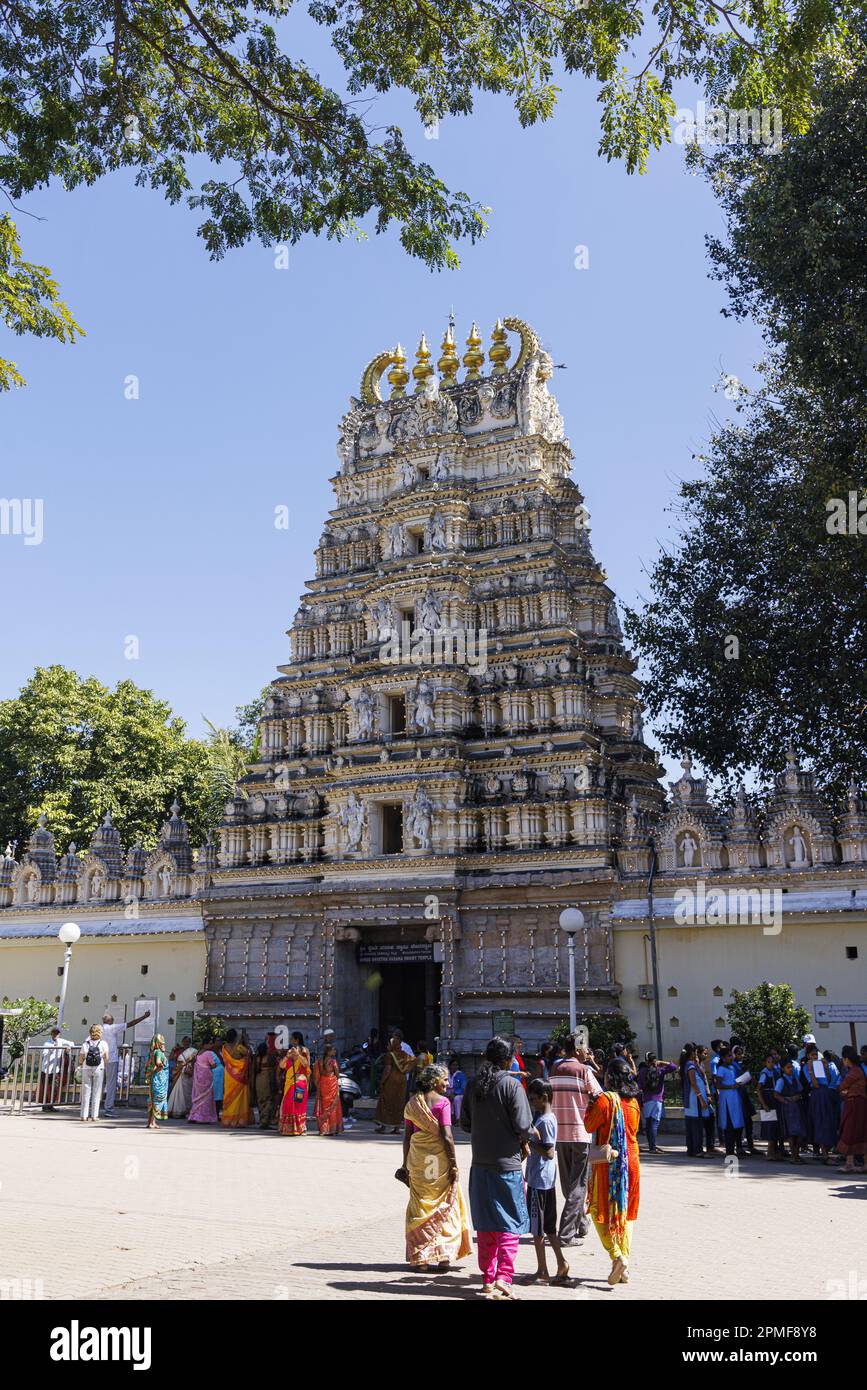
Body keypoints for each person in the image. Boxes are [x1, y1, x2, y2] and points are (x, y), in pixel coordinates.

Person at [460, 1036, 533, 1300]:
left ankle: (487, 1279)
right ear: (507, 1059)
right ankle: (504, 1276)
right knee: (509, 1224)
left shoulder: (472, 1084)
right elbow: (524, 1126)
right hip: (508, 1165)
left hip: (479, 1164)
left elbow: (465, 1123)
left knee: (486, 1225)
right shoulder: (512, 1086)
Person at [399, 1062, 471, 1270]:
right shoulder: (443, 1103)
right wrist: (454, 1164)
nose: (448, 1084)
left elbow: (407, 1137)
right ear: (434, 1081)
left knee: (420, 1205)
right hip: (439, 1162)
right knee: (444, 1205)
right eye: (445, 1080)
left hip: (418, 1163)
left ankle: (421, 1257)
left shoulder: (412, 1104)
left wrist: (405, 1165)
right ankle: (443, 1256)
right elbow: (447, 1137)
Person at [583, 1058, 641, 1286]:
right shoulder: (634, 1102)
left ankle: (617, 1255)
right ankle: (624, 1263)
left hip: (609, 1163)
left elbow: (588, 1125)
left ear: (610, 1077)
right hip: (631, 1164)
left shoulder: (606, 1100)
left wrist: (590, 1103)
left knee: (598, 1209)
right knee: (626, 1212)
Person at [549, 1031, 601, 1245]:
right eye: (585, 1048)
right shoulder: (583, 1070)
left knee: (567, 1183)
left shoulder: (554, 1068)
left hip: (559, 1133)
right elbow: (599, 1096)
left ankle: (580, 1223)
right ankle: (566, 1233)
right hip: (580, 1132)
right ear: (578, 1049)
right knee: (578, 1184)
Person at [524, 1079, 570, 1286]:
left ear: (544, 1097)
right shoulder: (548, 1118)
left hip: (539, 1180)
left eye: (533, 1099)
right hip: (546, 1179)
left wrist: (529, 1141)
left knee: (538, 1228)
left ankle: (542, 1269)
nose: (531, 1102)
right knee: (549, 1227)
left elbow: (549, 1152)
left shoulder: (544, 1121)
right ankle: (561, 1263)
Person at [99, 1006, 151, 1115]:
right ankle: (108, 1109)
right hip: (111, 1059)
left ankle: (94, 1108)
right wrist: (144, 1017)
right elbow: (130, 1024)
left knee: (98, 1083)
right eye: (112, 1019)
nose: (113, 1021)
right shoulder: (112, 1027)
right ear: (109, 1021)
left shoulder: (99, 1029)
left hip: (99, 1059)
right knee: (111, 1084)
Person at [802, 1044, 839, 1161]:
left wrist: (826, 1067)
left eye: (816, 1054)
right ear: (808, 1056)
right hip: (817, 1095)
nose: (814, 1057)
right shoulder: (807, 1067)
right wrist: (810, 1070)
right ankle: (823, 1154)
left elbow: (829, 1081)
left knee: (828, 1122)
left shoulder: (822, 1064)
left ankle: (826, 1151)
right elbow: (816, 1084)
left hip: (826, 1094)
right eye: (812, 1055)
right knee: (820, 1122)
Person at [636, 1051, 677, 1153]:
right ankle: (653, 1147)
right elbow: (674, 1067)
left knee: (649, 1124)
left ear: (646, 1060)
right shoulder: (660, 1070)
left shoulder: (642, 1071)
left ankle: (651, 1146)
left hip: (646, 1100)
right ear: (654, 1059)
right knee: (654, 1124)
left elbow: (639, 1085)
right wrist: (662, 1062)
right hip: (657, 1100)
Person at [374, 1036, 416, 1133]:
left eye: (389, 1044)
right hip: (402, 1080)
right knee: (399, 1101)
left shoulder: (390, 1055)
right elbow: (413, 1061)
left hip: (391, 1080)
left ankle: (383, 1126)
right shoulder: (404, 1054)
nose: (388, 1046)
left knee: (387, 1101)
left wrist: (382, 1081)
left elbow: (387, 1069)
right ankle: (396, 1128)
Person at [837, 1047, 867, 1172]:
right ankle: (858, 1163)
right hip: (856, 1104)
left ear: (846, 1059)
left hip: (855, 1105)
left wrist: (845, 1091)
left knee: (851, 1132)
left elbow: (842, 1087)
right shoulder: (856, 1070)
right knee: (860, 1132)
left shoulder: (854, 1071)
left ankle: (850, 1164)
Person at [715, 1045, 747, 1157]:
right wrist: (731, 1086)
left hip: (735, 1098)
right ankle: (729, 1151)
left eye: (731, 1055)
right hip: (727, 1099)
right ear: (723, 1058)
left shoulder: (732, 1068)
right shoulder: (721, 1069)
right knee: (729, 1125)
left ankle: (738, 1148)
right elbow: (718, 1085)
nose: (731, 1058)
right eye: (729, 1056)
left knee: (737, 1124)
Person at [279, 1032, 311, 1136]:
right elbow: (282, 1066)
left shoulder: (304, 1051)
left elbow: (306, 1064)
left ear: (296, 1039)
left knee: (298, 1105)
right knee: (288, 1105)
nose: (291, 1040)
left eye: (292, 1039)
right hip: (289, 1083)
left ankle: (300, 1127)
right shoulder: (289, 1051)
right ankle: (288, 1128)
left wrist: (298, 1055)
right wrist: (287, 1057)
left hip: (300, 1082)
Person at [775, 1058, 807, 1163]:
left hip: (797, 1108)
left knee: (798, 1132)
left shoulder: (794, 1079)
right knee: (791, 1133)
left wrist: (796, 1097)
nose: (791, 1069)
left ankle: (797, 1155)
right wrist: (785, 1101)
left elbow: (800, 1091)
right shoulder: (781, 1080)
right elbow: (776, 1094)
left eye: (791, 1067)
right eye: (788, 1067)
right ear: (783, 1069)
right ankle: (793, 1156)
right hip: (787, 1109)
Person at [681, 1043, 710, 1157]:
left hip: (692, 1100)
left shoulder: (691, 1065)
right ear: (692, 1053)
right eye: (696, 1052)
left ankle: (692, 1149)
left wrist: (697, 1064)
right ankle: (697, 1150)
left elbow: (702, 1076)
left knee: (692, 1125)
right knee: (696, 1126)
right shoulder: (690, 1066)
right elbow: (694, 1083)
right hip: (695, 1100)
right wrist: (702, 1099)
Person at [220, 1029, 252, 1127]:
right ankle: (239, 1120)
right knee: (239, 1098)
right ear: (235, 1037)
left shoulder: (224, 1047)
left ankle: (228, 1119)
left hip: (229, 1075)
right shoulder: (239, 1047)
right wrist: (246, 1043)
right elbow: (248, 1054)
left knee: (229, 1095)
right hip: (240, 1076)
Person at [79, 1024, 109, 1122]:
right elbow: (106, 1058)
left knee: (86, 1092)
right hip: (98, 1068)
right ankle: (94, 1116)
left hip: (86, 1068)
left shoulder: (86, 1043)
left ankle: (83, 1116)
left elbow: (81, 1058)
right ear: (100, 1033)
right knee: (96, 1092)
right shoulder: (103, 1043)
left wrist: (82, 1063)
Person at [39, 1027, 74, 1110]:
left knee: (55, 1088)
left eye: (57, 1033)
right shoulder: (47, 1043)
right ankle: (45, 1105)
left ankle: (51, 1104)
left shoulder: (61, 1041)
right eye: (54, 1033)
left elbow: (72, 1043)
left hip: (56, 1069)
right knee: (46, 1088)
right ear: (51, 1034)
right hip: (46, 1069)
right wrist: (52, 1048)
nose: (55, 1035)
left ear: (59, 1034)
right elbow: (45, 1054)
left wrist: (68, 1047)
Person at [313, 1042, 343, 1135]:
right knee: (333, 1105)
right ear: (329, 1051)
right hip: (331, 1084)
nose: (335, 1051)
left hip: (323, 1083)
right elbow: (337, 1074)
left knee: (324, 1105)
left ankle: (324, 1129)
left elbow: (319, 1073)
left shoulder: (320, 1061)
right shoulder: (333, 1061)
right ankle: (332, 1129)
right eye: (333, 1050)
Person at [757, 1052, 782, 1160]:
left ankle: (774, 1151)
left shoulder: (775, 1072)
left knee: (775, 1127)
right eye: (768, 1062)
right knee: (770, 1127)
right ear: (765, 1063)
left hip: (775, 1100)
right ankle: (769, 1152)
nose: (771, 1064)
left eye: (772, 1062)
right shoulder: (764, 1073)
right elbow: (759, 1089)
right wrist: (764, 1104)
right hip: (768, 1101)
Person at [188, 1039, 220, 1124]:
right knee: (206, 1098)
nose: (211, 1045)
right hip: (206, 1078)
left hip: (198, 1079)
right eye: (210, 1043)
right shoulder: (208, 1053)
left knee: (198, 1097)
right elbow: (213, 1064)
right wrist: (215, 1065)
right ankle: (204, 1118)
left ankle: (194, 1116)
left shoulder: (198, 1053)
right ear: (205, 1044)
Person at [695, 1046, 719, 1152]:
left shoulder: (702, 1065)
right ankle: (704, 1146)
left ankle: (710, 1145)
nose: (706, 1055)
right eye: (704, 1053)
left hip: (705, 1096)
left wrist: (708, 1095)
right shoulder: (695, 1066)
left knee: (711, 1117)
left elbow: (705, 1082)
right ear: (698, 1054)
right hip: (699, 1098)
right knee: (703, 1121)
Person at [167, 1037, 197, 1117]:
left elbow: (195, 1061)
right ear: (182, 1042)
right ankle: (179, 1110)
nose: (186, 1043)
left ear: (190, 1043)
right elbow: (171, 1059)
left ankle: (188, 1110)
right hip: (179, 1073)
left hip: (189, 1073)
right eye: (185, 1041)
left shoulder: (193, 1051)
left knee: (188, 1093)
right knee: (179, 1091)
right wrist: (173, 1050)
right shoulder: (179, 1050)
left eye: (188, 1042)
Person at [145, 1035, 169, 1129]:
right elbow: (158, 1062)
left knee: (152, 1100)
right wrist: (161, 1065)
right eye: (162, 1043)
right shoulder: (158, 1052)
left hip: (154, 1079)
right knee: (157, 1100)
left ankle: (151, 1122)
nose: (163, 1044)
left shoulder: (152, 1052)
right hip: (159, 1079)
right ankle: (152, 1122)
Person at [253, 1041, 279, 1130]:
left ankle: (262, 1120)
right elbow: (276, 1065)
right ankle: (265, 1122)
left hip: (258, 1080)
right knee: (268, 1100)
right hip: (267, 1079)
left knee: (260, 1101)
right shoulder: (269, 1057)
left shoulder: (256, 1058)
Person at [447, 1055, 467, 1125]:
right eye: (453, 1065)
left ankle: (458, 1119)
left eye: (456, 1065)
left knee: (457, 1099)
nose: (455, 1067)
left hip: (459, 1094)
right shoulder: (446, 1074)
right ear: (449, 1066)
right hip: (447, 1093)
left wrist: (455, 1093)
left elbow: (463, 1088)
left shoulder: (461, 1075)